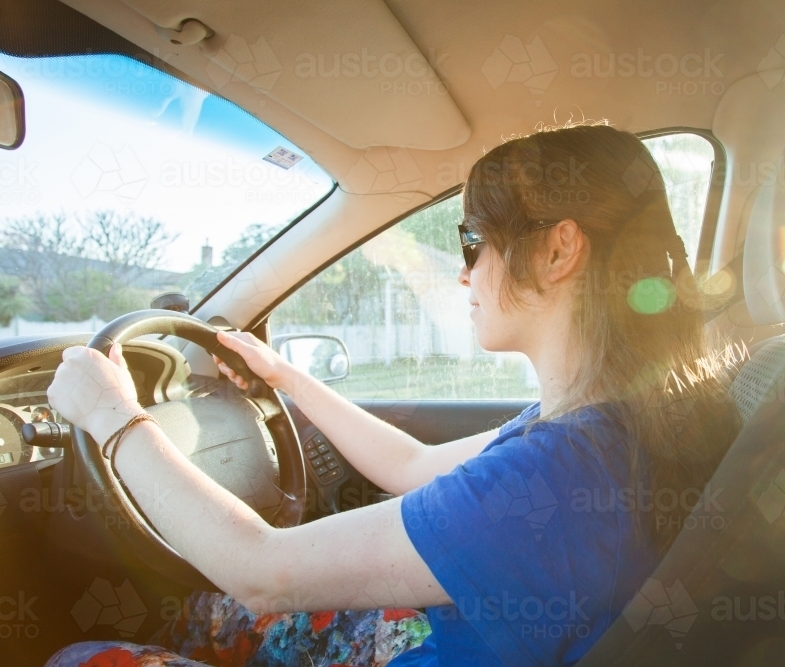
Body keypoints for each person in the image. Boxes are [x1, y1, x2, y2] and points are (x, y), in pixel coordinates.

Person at [45, 122, 741, 667]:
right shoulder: (604, 426)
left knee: (78, 656)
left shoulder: (555, 477)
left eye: (472, 240)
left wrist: (111, 412)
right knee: (210, 611)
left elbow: (263, 571)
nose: (464, 275)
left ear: (558, 250)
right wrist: (285, 375)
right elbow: (410, 464)